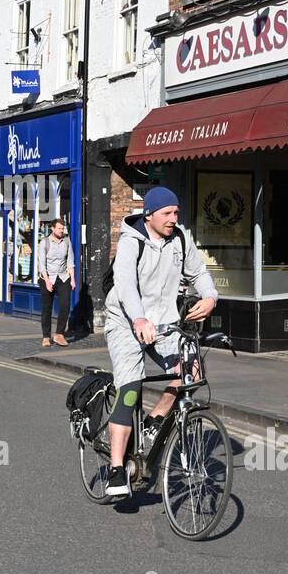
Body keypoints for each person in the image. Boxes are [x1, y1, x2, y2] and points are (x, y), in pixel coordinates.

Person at [103, 187, 218, 498]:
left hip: (164, 323)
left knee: (190, 371)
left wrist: (210, 297)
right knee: (129, 389)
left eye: (176, 212)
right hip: (126, 322)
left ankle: (154, 421)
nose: (173, 218)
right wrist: (139, 320)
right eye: (167, 213)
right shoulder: (131, 242)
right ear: (149, 214)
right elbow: (125, 285)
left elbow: (200, 272)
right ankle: (116, 469)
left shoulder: (180, 239)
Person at [36, 218, 73, 348]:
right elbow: (41, 264)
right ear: (52, 228)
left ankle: (59, 334)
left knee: (65, 304)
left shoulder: (66, 241)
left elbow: (70, 261)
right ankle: (46, 336)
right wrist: (46, 281)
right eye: (59, 228)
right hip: (47, 277)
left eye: (63, 229)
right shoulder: (44, 242)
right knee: (47, 308)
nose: (62, 231)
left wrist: (72, 279)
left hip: (63, 277)